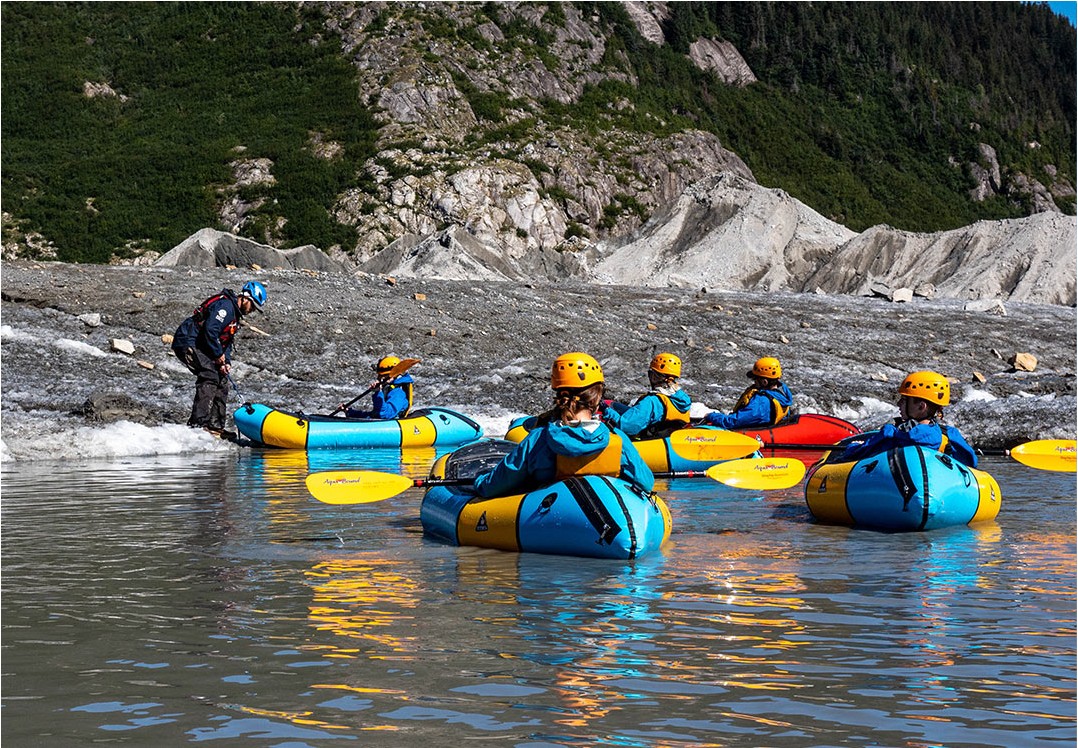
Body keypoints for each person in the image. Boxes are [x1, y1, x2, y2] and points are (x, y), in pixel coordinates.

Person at [473, 352, 655, 497]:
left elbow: (495, 485)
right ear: (597, 397)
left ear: (559, 394)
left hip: (549, 517)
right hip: (604, 516)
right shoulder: (618, 439)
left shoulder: (538, 439)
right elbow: (646, 482)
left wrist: (479, 482)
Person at [172, 280, 267, 434]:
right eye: (253, 306)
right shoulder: (226, 308)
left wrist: (226, 361)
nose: (252, 311)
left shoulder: (235, 316)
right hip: (188, 342)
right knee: (209, 376)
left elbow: (226, 342)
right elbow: (210, 330)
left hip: (203, 346)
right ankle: (197, 425)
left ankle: (216, 426)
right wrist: (218, 355)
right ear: (245, 298)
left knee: (222, 380)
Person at [841, 370, 978, 467]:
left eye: (904, 400)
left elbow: (855, 454)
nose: (899, 404)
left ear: (921, 406)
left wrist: (852, 446)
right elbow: (972, 463)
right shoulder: (949, 436)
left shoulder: (891, 435)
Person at [602, 352, 692, 439]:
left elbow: (626, 427)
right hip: (668, 441)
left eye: (651, 374)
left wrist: (606, 411)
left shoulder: (651, 401)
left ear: (654, 376)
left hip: (648, 443)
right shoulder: (681, 399)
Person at [702, 356, 795, 430]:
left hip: (753, 434)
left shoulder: (761, 402)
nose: (754, 383)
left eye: (755, 379)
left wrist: (711, 416)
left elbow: (732, 422)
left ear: (764, 382)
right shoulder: (782, 393)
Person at [343, 355, 414, 419]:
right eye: (379, 375)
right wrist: (350, 412)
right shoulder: (388, 387)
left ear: (394, 375)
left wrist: (378, 392)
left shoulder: (398, 392)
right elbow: (374, 415)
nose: (379, 378)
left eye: (384, 376)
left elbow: (386, 415)